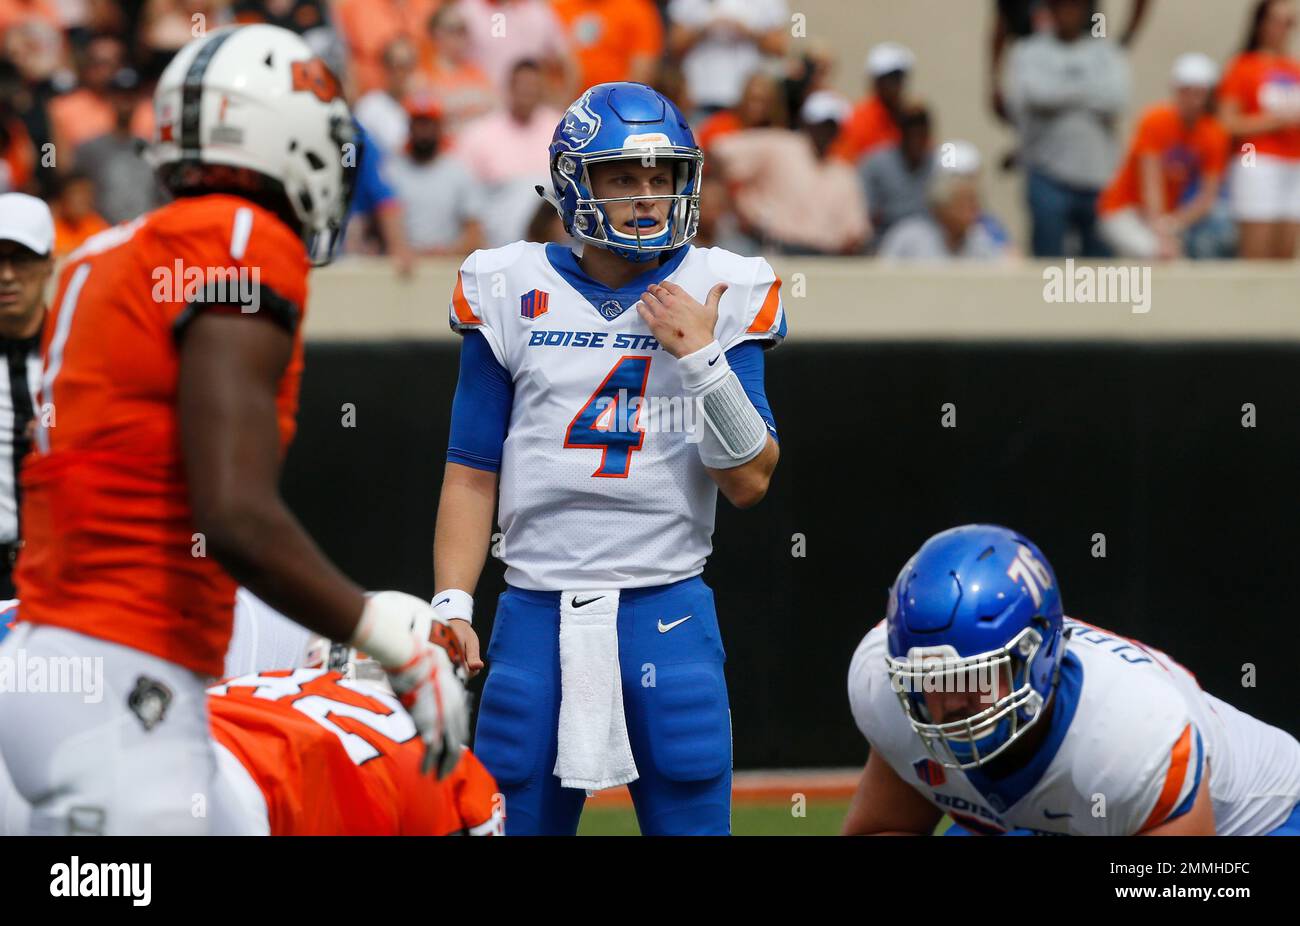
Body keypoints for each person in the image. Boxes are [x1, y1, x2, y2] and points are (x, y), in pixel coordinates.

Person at [0, 24, 466, 836]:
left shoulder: (102, 254)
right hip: (125, 683)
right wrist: (384, 633)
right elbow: (234, 512)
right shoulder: (239, 238)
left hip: (52, 669)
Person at [432, 81, 785, 835]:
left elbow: (750, 480)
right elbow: (471, 468)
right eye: (622, 177)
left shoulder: (720, 287)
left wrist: (704, 361)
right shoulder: (508, 284)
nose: (649, 196)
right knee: (510, 821)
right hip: (533, 606)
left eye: (662, 176)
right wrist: (454, 602)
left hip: (665, 604)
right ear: (573, 183)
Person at [844, 524, 1300, 836]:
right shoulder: (884, 685)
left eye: (976, 677)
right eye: (932, 682)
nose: (950, 706)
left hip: (1260, 822)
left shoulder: (1132, 735)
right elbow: (888, 826)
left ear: (1036, 657)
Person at [1006, 0, 1129, 257]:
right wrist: (1087, 92)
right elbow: (1036, 94)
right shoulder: (1028, 52)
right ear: (1050, 9)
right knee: (1048, 268)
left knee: (1100, 273)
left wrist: (1060, 92)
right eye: (1062, 5)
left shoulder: (1106, 54)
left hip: (1098, 178)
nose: (1068, 12)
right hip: (1047, 175)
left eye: (1075, 5)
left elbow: (1116, 99)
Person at [1097, 53, 1229, 260]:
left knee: (1215, 231)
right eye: (1187, 92)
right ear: (1176, 91)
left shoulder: (1213, 133)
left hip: (1165, 216)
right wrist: (1161, 233)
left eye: (1199, 93)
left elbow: (1207, 197)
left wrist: (1174, 223)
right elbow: (1151, 184)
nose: (1193, 100)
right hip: (1124, 210)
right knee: (1158, 254)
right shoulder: (1155, 121)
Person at [713, 90, 869, 254]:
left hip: (824, 258)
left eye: (831, 126)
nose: (825, 131)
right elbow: (718, 153)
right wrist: (735, 206)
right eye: (820, 124)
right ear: (806, 123)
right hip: (771, 249)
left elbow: (856, 233)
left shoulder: (844, 173)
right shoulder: (780, 144)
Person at [1219, 0, 1300, 259]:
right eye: (1276, 21)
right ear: (1261, 24)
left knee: (1284, 252)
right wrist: (1275, 120)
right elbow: (1228, 122)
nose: (1283, 29)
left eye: (1289, 22)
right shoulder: (1243, 66)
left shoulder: (1295, 68)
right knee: (1257, 253)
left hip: (1294, 163)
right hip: (1256, 159)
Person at [0, 193, 51, 599]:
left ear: (50, 263)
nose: (7, 275)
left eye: (21, 259)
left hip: (62, 570)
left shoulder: (84, 355)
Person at [454, 59, 562, 246]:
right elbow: (464, 195)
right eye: (522, 85)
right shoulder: (478, 134)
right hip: (497, 248)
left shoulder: (561, 130)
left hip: (553, 250)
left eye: (533, 85)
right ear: (509, 88)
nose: (527, 91)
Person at [385, 96, 485, 255]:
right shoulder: (391, 172)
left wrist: (446, 253)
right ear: (409, 127)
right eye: (419, 124)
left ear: (440, 127)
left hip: (447, 266)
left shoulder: (459, 171)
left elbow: (474, 231)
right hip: (403, 266)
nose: (424, 131)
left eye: (429, 124)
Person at [666, 0, 789, 117]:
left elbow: (779, 47)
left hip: (748, 103)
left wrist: (748, 31)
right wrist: (704, 28)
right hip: (700, 97)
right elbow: (674, 45)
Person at [877, 165, 1010, 262]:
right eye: (965, 203)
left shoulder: (981, 240)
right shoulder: (908, 238)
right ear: (942, 208)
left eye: (975, 203)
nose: (975, 210)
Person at [829, 42, 913, 164]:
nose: (895, 84)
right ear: (875, 81)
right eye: (889, 78)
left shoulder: (910, 118)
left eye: (899, 77)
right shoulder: (856, 118)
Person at [551, 0, 663, 91]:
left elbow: (642, 73)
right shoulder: (556, 8)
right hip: (560, 106)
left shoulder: (637, 10)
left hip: (613, 108)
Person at [860, 103, 934, 239]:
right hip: (886, 240)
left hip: (928, 243)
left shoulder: (939, 162)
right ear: (900, 133)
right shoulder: (876, 162)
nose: (915, 137)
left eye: (921, 131)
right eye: (910, 131)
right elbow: (865, 212)